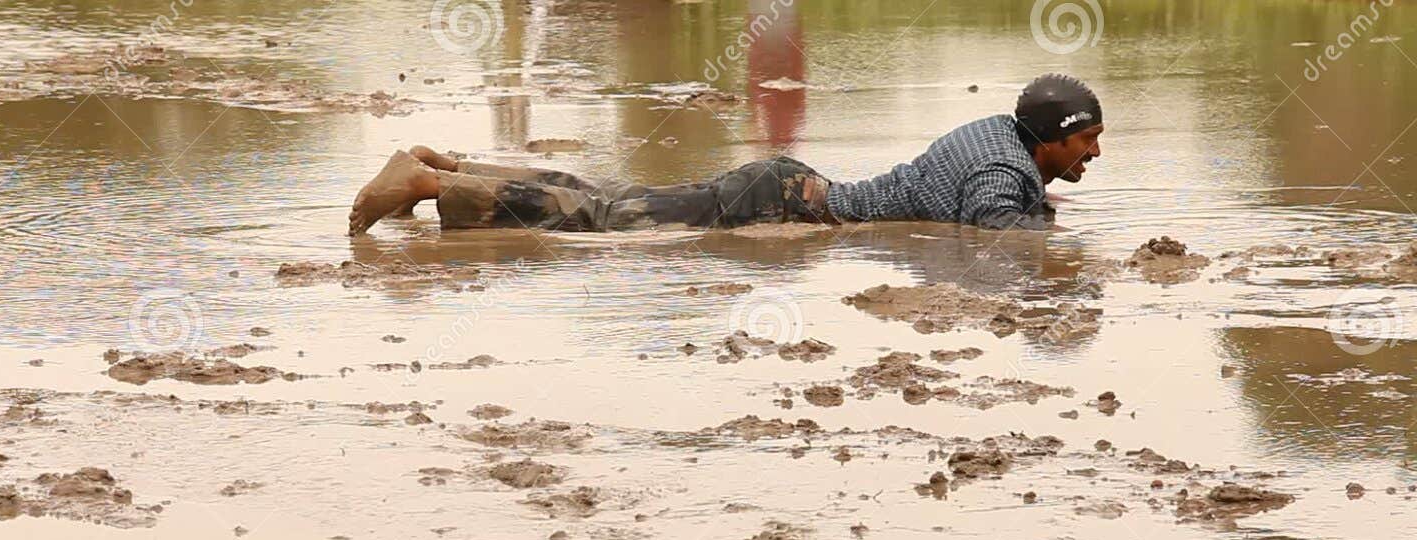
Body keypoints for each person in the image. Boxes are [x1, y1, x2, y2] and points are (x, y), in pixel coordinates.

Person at [347, 74, 1102, 236]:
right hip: (780, 203)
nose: (1095, 151)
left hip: (785, 186)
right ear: (1048, 138)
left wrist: (1039, 196)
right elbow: (1003, 235)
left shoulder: (995, 134)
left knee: (614, 195)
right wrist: (1053, 227)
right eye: (1085, 139)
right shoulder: (1004, 170)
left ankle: (448, 166)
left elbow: (987, 196)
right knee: (607, 217)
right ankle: (428, 184)